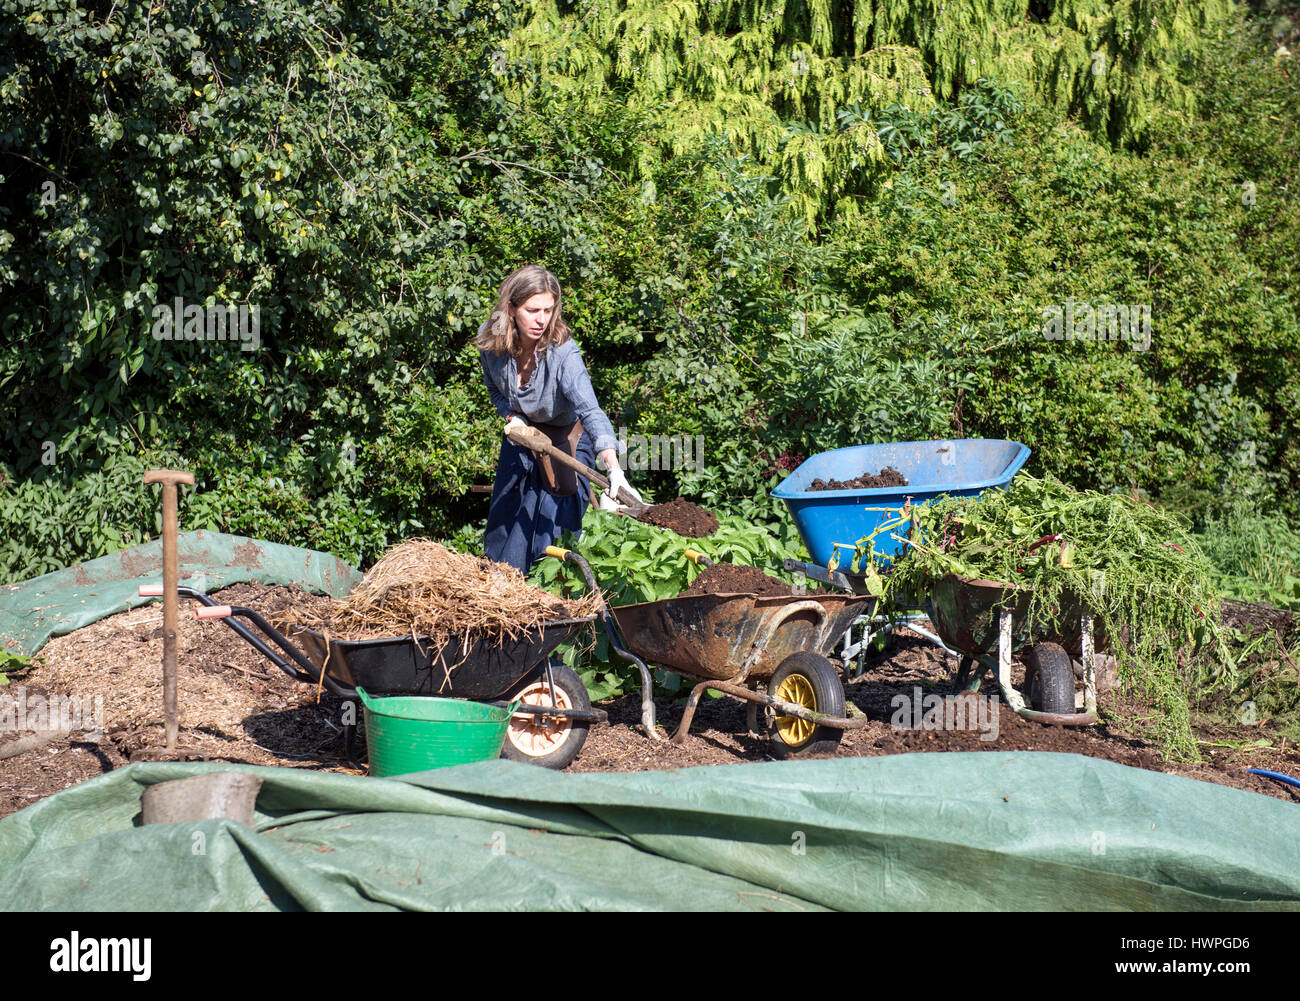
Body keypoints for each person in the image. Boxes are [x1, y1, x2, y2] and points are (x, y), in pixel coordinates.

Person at [477, 264, 641, 572]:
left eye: (549, 310)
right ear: (511, 309)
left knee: (546, 525)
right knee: (506, 520)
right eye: (532, 310)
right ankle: (497, 588)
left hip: (566, 437)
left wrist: (615, 471)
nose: (542, 319)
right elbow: (495, 392)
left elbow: (590, 411)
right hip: (522, 434)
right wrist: (512, 417)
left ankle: (544, 599)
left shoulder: (562, 351)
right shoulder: (492, 338)